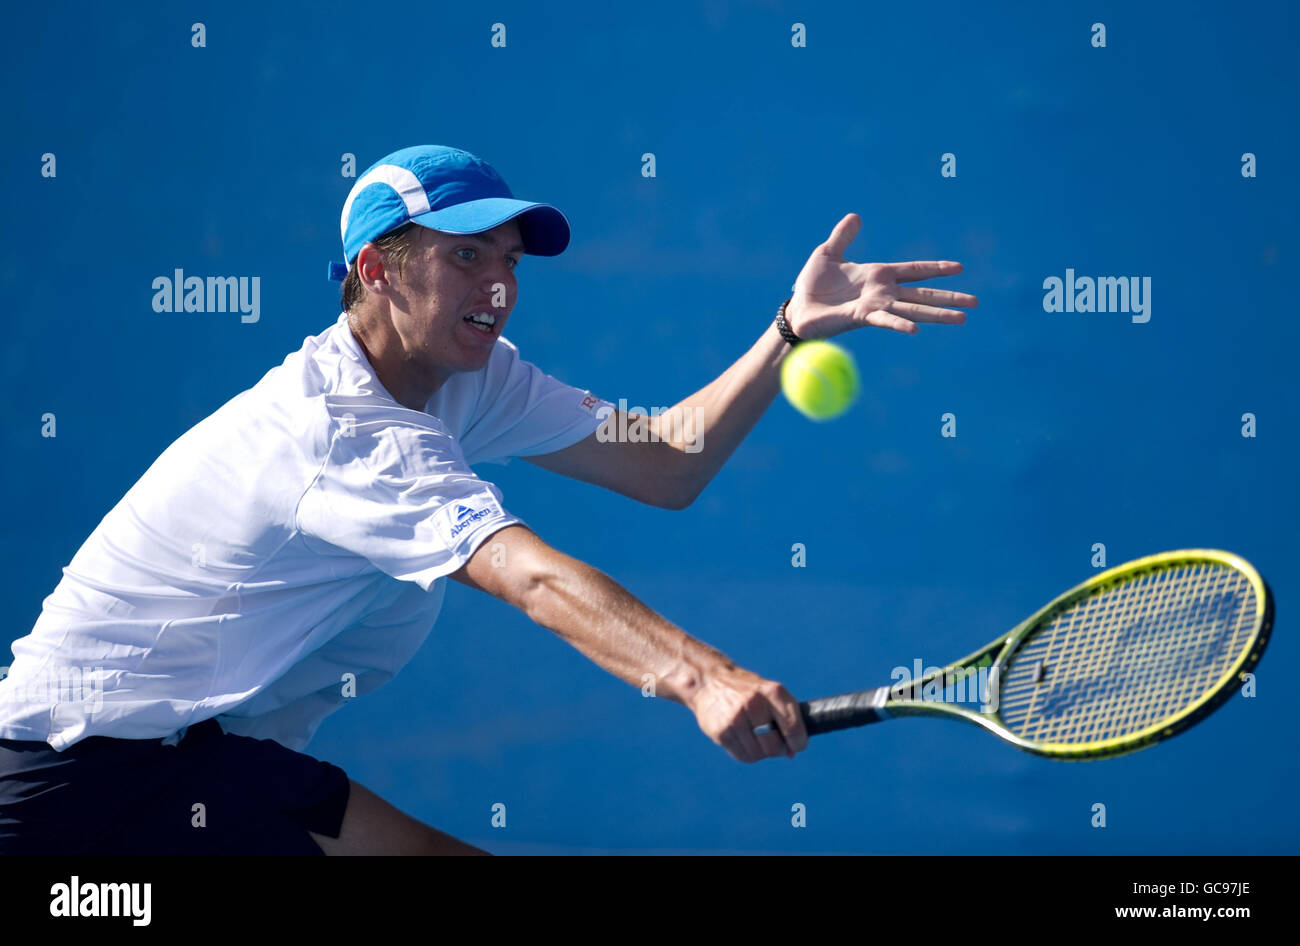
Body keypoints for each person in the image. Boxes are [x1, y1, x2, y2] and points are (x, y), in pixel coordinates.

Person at [0, 145, 976, 855]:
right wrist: (704, 678)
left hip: (201, 759)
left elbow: (666, 459)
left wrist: (788, 333)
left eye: (509, 259)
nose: (501, 283)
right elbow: (532, 577)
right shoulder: (338, 433)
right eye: (467, 255)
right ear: (378, 271)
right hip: (68, 786)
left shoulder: (475, 375)